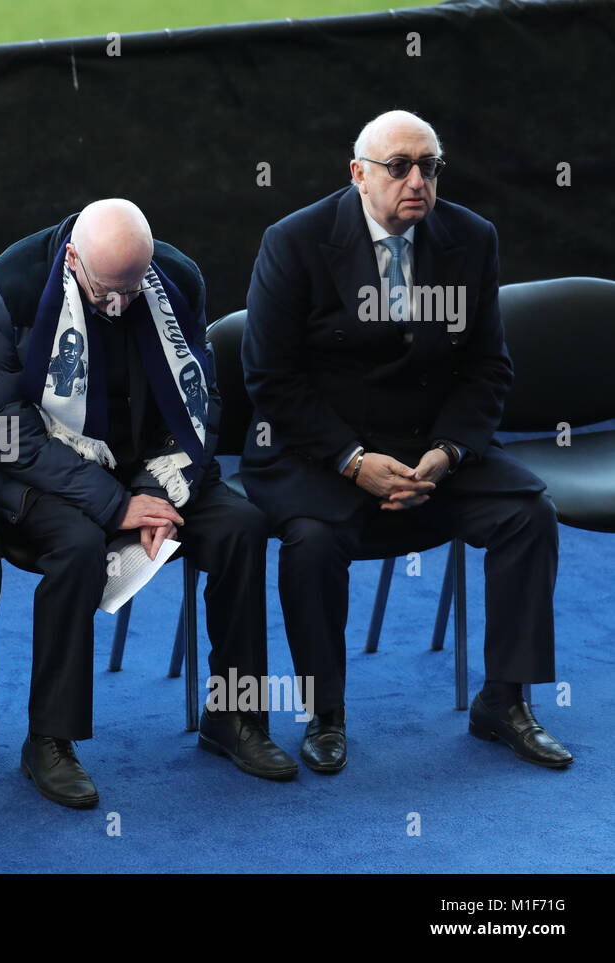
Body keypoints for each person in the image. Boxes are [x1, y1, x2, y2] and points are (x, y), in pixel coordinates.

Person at [240, 109, 572, 773]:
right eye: (400, 167)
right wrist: (352, 460)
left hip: (428, 452)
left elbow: (487, 367)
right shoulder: (295, 241)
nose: (417, 180)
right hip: (320, 454)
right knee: (311, 543)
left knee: (528, 514)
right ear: (359, 175)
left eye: (429, 166)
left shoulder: (472, 239)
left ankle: (504, 700)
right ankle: (324, 712)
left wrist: (448, 452)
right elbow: (270, 378)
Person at [0, 198, 298, 809]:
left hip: (149, 466)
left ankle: (233, 716)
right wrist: (115, 506)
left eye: (134, 286)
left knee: (241, 527)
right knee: (78, 547)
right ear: (73, 260)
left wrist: (153, 491)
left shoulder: (174, 278)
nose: (122, 303)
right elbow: (2, 430)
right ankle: (48, 742)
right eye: (109, 289)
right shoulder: (7, 290)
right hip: (37, 470)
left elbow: (202, 399)